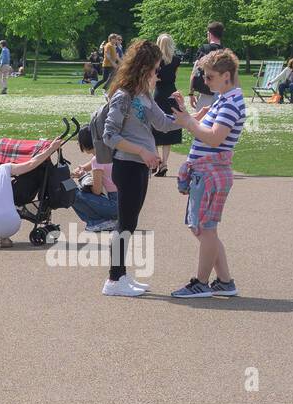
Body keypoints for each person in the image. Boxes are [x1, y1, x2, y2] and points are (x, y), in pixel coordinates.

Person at [99, 39, 183, 297]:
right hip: (128, 165)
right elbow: (109, 135)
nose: (158, 74)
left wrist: (190, 117)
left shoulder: (143, 95)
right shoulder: (123, 96)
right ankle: (114, 280)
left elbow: (164, 124)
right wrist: (143, 151)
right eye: (156, 68)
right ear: (144, 67)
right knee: (125, 223)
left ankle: (121, 275)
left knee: (129, 223)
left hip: (139, 167)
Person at [168, 49, 246, 298]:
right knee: (204, 229)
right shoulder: (224, 98)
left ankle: (202, 282)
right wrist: (187, 116)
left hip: (211, 173)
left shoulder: (231, 102)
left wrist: (188, 122)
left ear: (226, 75)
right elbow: (205, 129)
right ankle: (224, 281)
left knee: (204, 229)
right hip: (206, 172)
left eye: (210, 77)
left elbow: (215, 138)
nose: (206, 81)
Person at [0, 139, 65, 247]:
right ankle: (5, 238)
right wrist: (51, 149)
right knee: (6, 209)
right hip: (12, 225)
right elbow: (32, 163)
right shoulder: (6, 168)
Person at [70, 127, 119, 232]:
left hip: (115, 206)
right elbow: (87, 166)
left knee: (71, 193)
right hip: (127, 203)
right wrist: (78, 171)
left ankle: (99, 222)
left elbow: (96, 191)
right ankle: (106, 221)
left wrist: (84, 177)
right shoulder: (109, 151)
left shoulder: (97, 160)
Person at [152, 34, 183, 176]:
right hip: (171, 93)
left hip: (159, 94)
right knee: (168, 128)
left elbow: (155, 77)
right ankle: (164, 163)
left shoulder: (155, 60)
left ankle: (156, 160)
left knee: (155, 126)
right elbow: (173, 77)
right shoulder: (176, 60)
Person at [188, 21, 225, 112]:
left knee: (201, 122)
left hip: (206, 94)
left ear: (210, 34)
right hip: (221, 94)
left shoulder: (204, 49)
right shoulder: (225, 52)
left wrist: (191, 93)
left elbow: (195, 72)